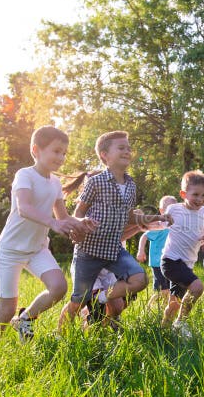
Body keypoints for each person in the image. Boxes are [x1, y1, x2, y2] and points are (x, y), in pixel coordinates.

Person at [0, 126, 97, 350]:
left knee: (58, 288)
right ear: (36, 150)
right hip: (11, 251)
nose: (61, 157)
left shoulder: (55, 183)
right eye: (56, 151)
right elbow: (24, 208)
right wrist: (54, 224)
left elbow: (63, 216)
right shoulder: (25, 175)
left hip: (37, 249)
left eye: (64, 153)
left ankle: (25, 319)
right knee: (6, 310)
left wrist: (80, 222)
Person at [57, 130, 171, 331]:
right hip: (89, 251)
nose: (127, 151)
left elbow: (129, 217)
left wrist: (157, 217)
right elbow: (78, 211)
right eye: (121, 148)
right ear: (104, 155)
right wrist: (81, 223)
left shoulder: (131, 185)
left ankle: (100, 298)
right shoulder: (96, 182)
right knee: (78, 300)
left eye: (129, 148)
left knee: (140, 279)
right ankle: (60, 334)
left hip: (113, 251)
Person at [160, 170, 204, 337]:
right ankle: (180, 323)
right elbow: (161, 223)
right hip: (170, 260)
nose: (199, 199)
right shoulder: (174, 209)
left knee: (175, 303)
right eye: (195, 194)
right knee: (197, 287)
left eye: (203, 195)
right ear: (183, 194)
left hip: (187, 264)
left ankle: (163, 332)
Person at [136, 195, 177, 310]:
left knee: (169, 290)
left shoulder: (174, 225)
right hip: (157, 262)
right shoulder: (159, 224)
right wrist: (140, 251)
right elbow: (145, 235)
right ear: (161, 211)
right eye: (169, 209)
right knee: (163, 290)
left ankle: (163, 310)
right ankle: (148, 308)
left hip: (170, 262)